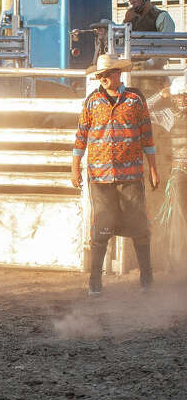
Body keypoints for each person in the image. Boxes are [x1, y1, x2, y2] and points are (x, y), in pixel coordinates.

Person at [72, 53, 160, 295]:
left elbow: (146, 135)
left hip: (130, 174)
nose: (103, 79)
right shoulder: (92, 101)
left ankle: (146, 279)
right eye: (100, 76)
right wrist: (74, 166)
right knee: (101, 226)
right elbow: (81, 135)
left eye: (106, 74)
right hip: (100, 176)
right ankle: (95, 283)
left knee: (138, 224)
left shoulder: (134, 99)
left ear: (117, 74)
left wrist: (152, 168)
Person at [147, 74, 187, 272]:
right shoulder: (170, 115)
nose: (183, 99)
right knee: (179, 215)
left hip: (180, 171)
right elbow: (141, 110)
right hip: (179, 171)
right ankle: (178, 263)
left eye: (185, 96)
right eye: (179, 96)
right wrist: (159, 96)